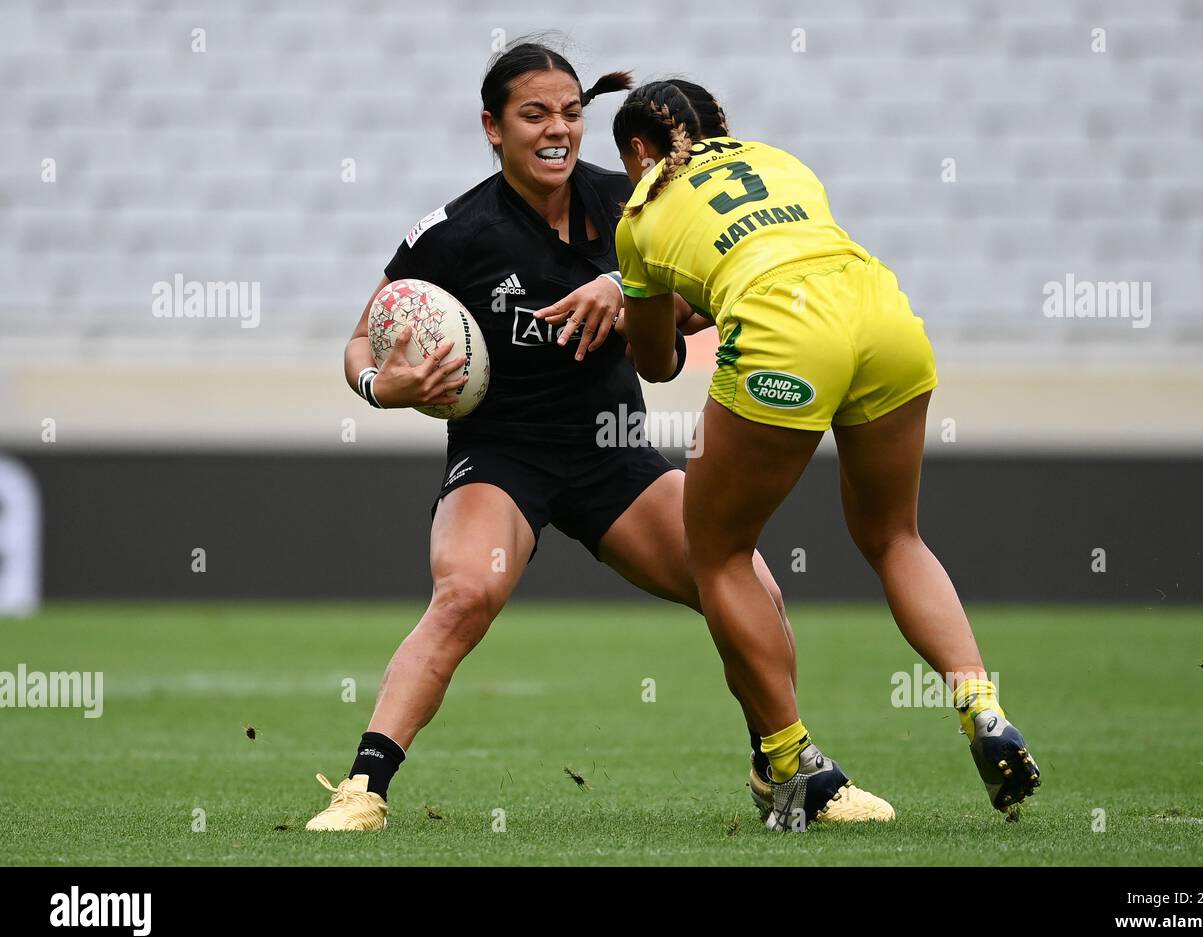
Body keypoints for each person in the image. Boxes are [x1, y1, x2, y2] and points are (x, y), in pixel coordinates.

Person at [306, 41, 887, 831]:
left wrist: (636, 297)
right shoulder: (454, 234)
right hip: (503, 455)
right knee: (465, 594)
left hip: (615, 455)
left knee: (750, 582)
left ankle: (787, 772)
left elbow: (712, 293)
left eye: (572, 113)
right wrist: (385, 386)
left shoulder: (636, 203)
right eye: (535, 114)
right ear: (492, 126)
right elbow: (356, 344)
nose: (558, 130)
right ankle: (363, 790)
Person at [612, 79, 1042, 829]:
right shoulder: (781, 160)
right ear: (721, 127)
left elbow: (655, 363)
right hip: (883, 316)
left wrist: (650, 307)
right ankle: (981, 703)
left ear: (640, 150)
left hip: (786, 335)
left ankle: (788, 760)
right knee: (895, 535)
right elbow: (764, 253)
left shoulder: (640, 209)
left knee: (716, 550)